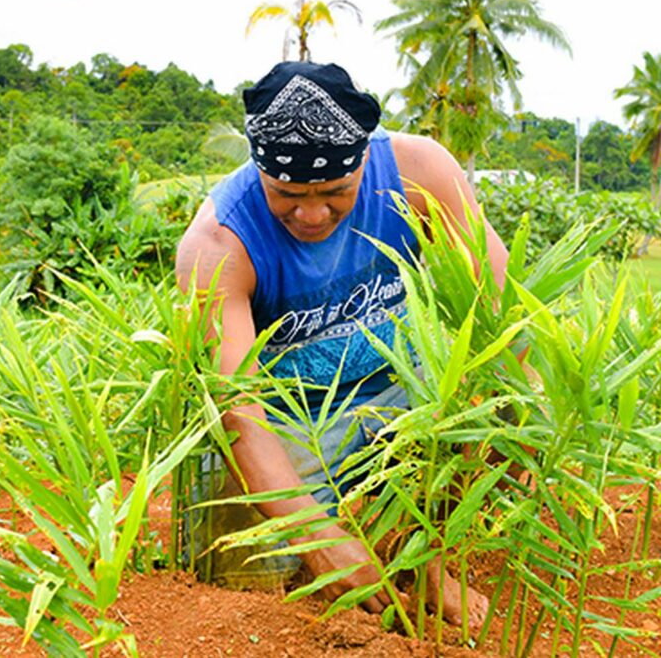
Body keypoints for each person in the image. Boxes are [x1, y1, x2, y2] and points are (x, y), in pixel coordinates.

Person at [175, 61, 508, 627]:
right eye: (285, 194)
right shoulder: (218, 243)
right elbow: (239, 413)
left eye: (335, 192)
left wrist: (486, 420)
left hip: (403, 397)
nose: (310, 213)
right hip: (290, 420)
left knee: (519, 405)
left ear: (364, 163)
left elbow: (503, 317)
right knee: (242, 571)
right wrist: (318, 540)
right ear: (260, 174)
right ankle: (344, 533)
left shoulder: (419, 171)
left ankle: (426, 557)